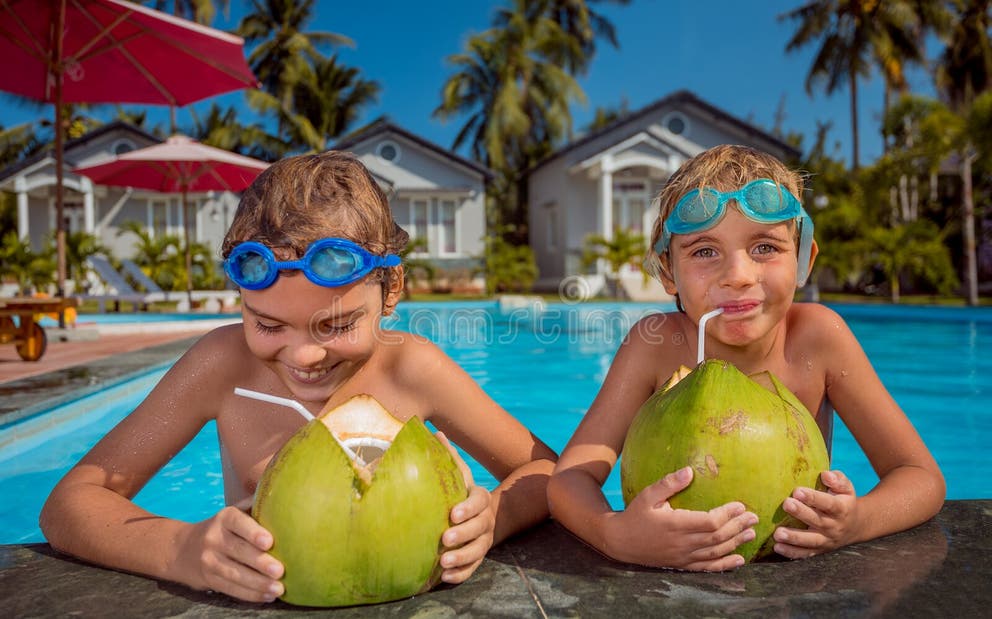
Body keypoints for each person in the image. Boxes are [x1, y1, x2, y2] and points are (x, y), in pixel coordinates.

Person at [41, 151, 557, 603]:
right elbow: (70, 502)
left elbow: (548, 473)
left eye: (337, 324)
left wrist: (493, 517)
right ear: (241, 302)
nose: (305, 355)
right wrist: (182, 549)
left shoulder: (411, 368)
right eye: (267, 324)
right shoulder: (221, 365)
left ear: (391, 288)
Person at [546, 144, 944, 571]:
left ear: (803, 260)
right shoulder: (654, 344)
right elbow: (570, 480)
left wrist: (858, 521)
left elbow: (921, 477)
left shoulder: (818, 339)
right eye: (704, 251)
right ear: (667, 272)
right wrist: (616, 535)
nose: (737, 276)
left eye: (765, 248)